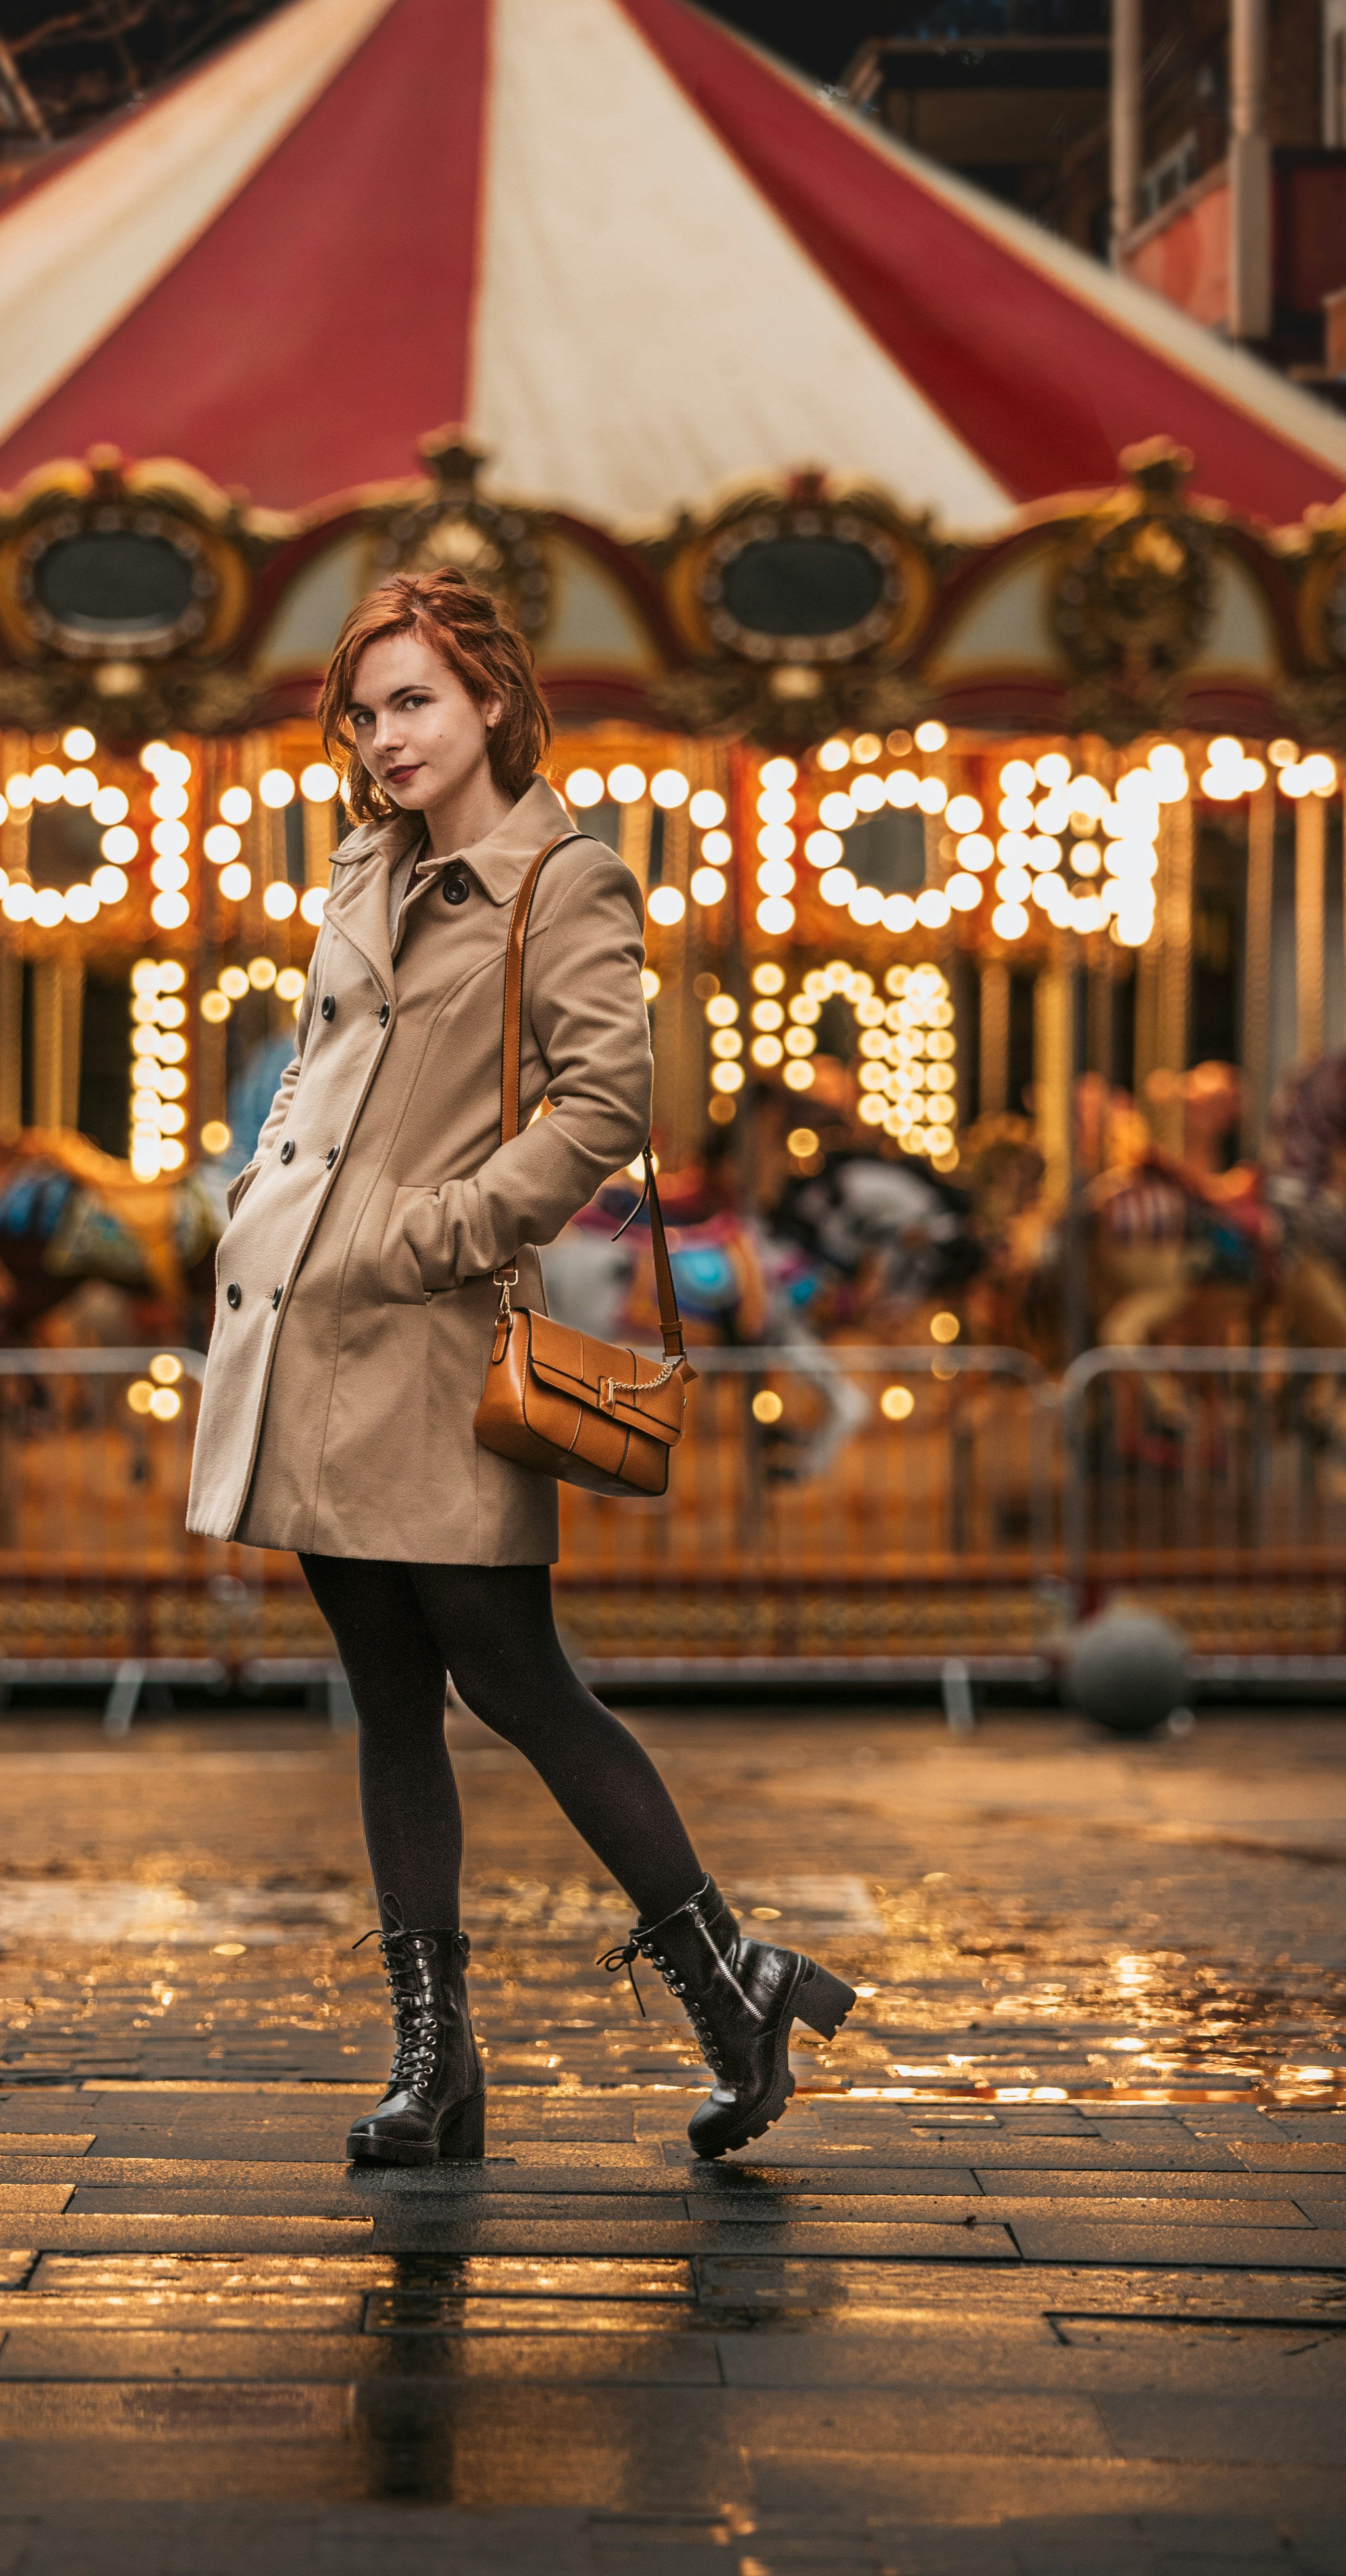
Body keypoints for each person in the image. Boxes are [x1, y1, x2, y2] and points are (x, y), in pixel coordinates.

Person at [185, 570, 854, 2168]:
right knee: (386, 1697)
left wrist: (434, 1231)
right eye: (366, 712)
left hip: (429, 1332)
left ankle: (730, 1982)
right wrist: (266, 1200)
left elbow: (604, 1104)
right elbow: (318, 1086)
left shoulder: (565, 879)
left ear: (491, 699)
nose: (385, 737)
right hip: (308, 1332)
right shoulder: (368, 865)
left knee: (513, 1675)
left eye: (415, 700)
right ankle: (437, 2062)